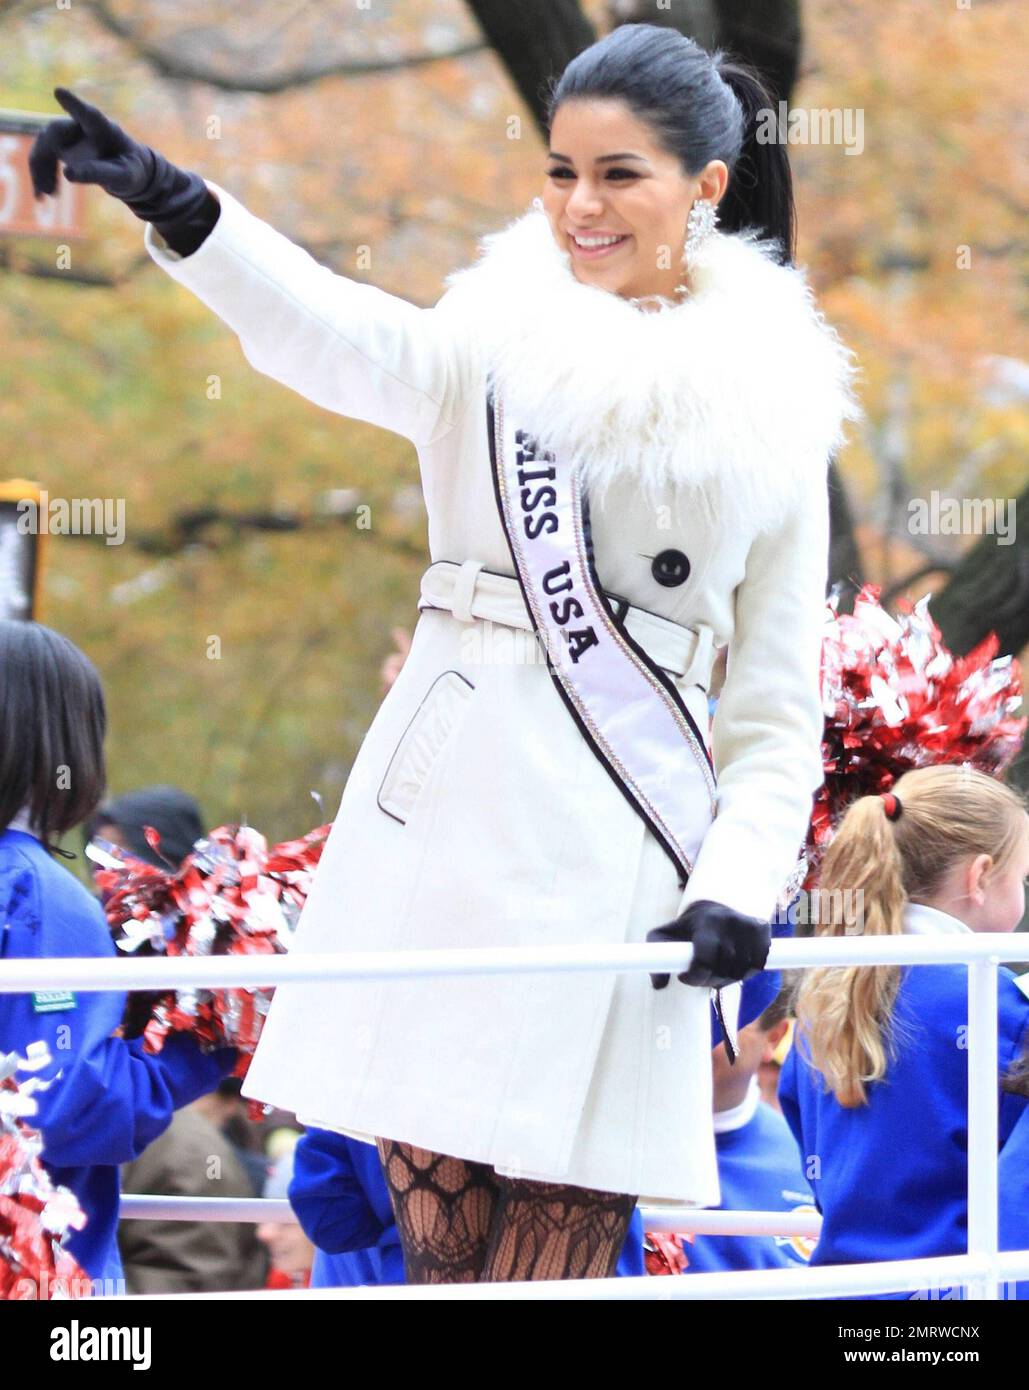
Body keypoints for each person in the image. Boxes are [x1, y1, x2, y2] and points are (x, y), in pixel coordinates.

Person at [30, 23, 860, 1282]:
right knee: (447, 1274)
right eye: (560, 170)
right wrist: (184, 206)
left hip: (621, 870)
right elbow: (336, 332)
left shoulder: (775, 419)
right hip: (440, 838)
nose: (580, 206)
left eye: (619, 174)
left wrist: (739, 884)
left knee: (541, 1276)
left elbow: (774, 714)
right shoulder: (492, 344)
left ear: (707, 185)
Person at [0, 620, 236, 1288]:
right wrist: (212, 1035)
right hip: (38, 1271)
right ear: (64, 744)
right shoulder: (37, 892)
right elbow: (64, 1105)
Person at [778, 765, 1029, 1300]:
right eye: (1022, 879)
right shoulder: (1000, 1004)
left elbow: (816, 1166)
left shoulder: (821, 1004)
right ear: (980, 877)